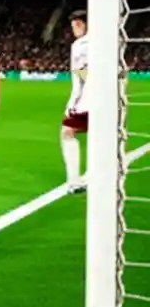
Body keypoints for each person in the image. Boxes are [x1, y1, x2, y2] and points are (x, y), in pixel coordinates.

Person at [61, 10, 89, 193]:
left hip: (89, 99)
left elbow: (82, 76)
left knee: (67, 132)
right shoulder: (107, 40)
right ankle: (96, 174)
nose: (74, 30)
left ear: (81, 24)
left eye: (75, 26)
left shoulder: (81, 45)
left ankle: (74, 181)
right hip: (110, 97)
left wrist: (72, 104)